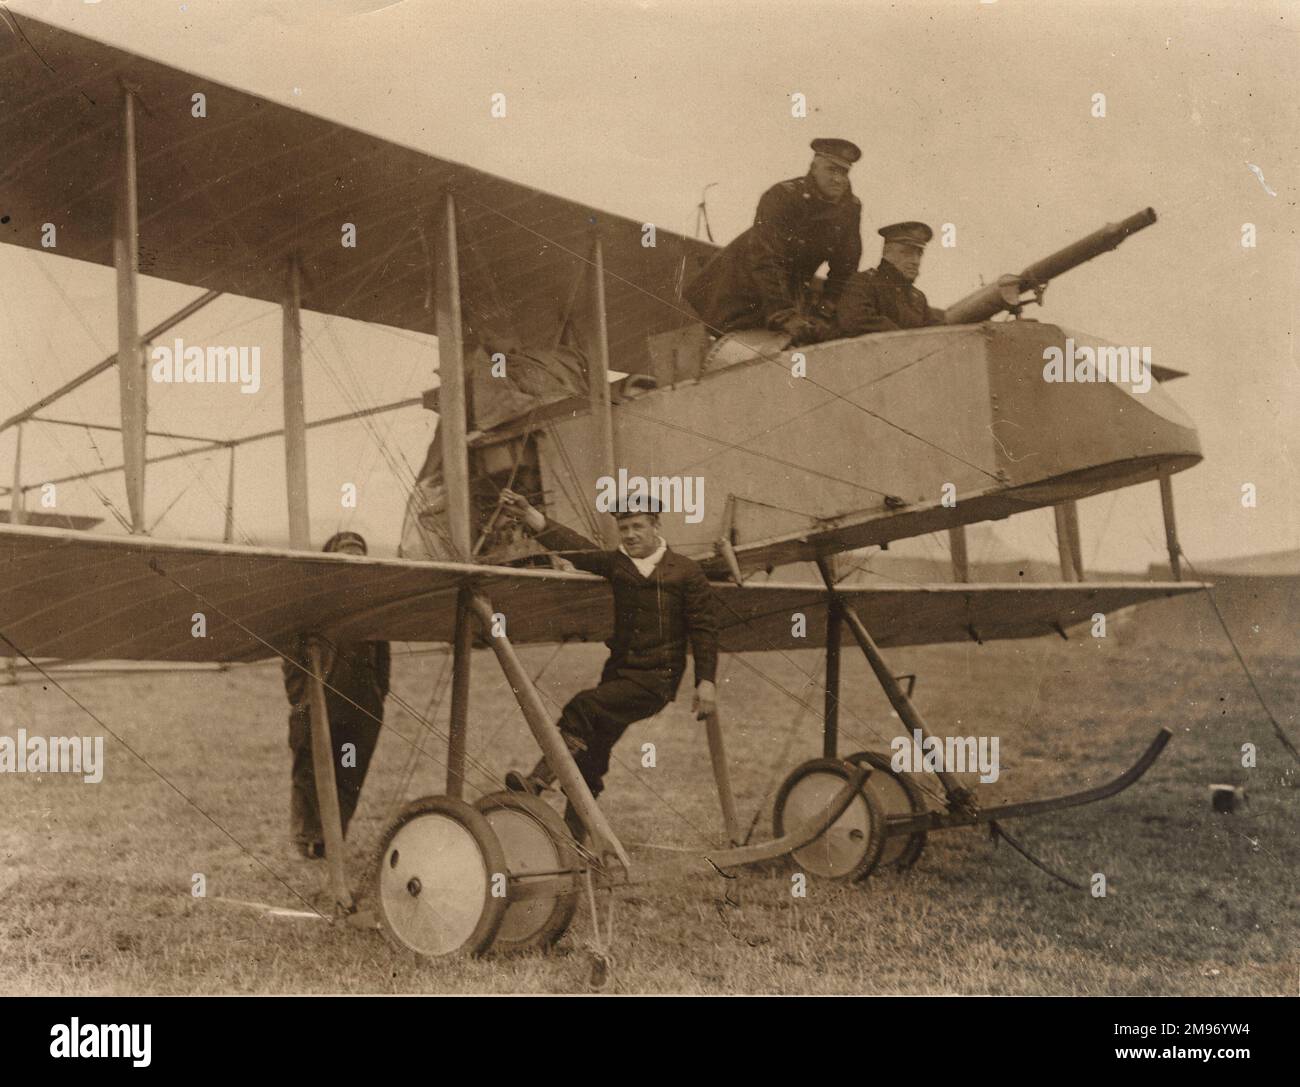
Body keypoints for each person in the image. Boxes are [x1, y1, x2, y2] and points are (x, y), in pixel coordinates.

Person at [497, 490, 719, 840]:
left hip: (655, 682)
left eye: (637, 526)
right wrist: (530, 516)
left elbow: (705, 628)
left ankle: (536, 783)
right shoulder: (619, 564)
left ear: (656, 525)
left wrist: (706, 682)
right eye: (623, 528)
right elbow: (577, 549)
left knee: (582, 707)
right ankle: (577, 846)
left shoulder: (686, 572)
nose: (629, 535)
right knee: (591, 754)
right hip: (617, 677)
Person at [684, 138, 864, 346]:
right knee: (736, 347)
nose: (838, 179)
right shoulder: (783, 196)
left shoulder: (850, 208)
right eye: (831, 170)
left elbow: (846, 268)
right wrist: (784, 315)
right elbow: (764, 258)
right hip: (743, 283)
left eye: (844, 172)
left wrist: (823, 313)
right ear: (814, 167)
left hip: (788, 288)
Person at [282, 531, 391, 859]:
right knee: (310, 769)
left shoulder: (372, 604)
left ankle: (333, 837)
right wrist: (302, 699)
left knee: (349, 770)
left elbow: (382, 653)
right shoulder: (310, 604)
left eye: (359, 557)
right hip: (319, 701)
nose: (353, 565)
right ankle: (306, 839)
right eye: (346, 558)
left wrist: (377, 693)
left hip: (361, 706)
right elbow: (291, 658)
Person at [835, 221, 944, 336]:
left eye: (919, 254)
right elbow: (854, 320)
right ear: (887, 252)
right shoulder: (863, 282)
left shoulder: (917, 298)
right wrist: (906, 338)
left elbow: (936, 330)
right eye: (906, 253)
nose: (915, 261)